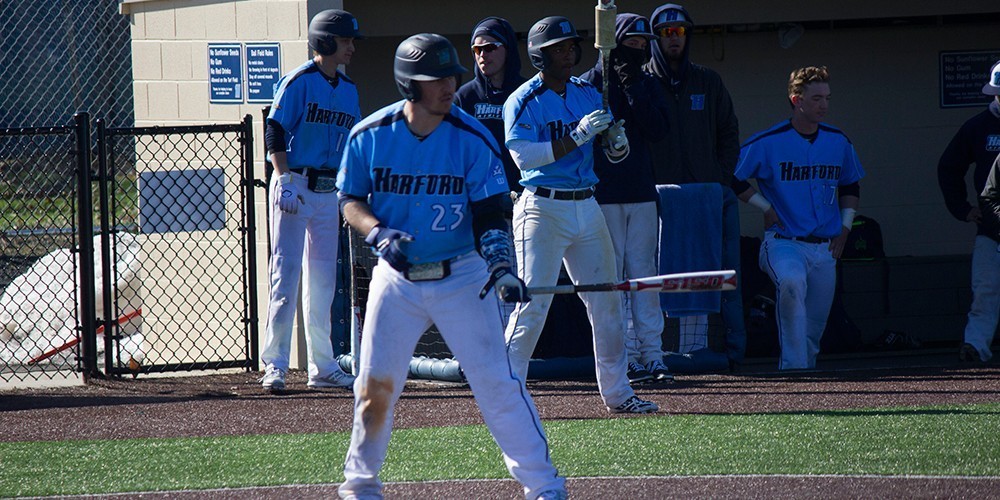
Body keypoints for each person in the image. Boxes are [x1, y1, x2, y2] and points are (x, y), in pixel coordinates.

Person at [335, 33, 567, 500]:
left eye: (450, 77)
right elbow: (350, 199)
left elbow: (490, 212)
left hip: (462, 275)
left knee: (498, 385)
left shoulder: (472, 137)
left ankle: (544, 487)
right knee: (374, 386)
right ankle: (360, 486)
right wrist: (377, 231)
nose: (448, 86)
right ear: (409, 86)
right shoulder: (370, 135)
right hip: (395, 279)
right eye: (436, 79)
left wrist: (501, 268)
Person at [503, 15, 659, 414]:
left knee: (606, 302)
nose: (569, 52)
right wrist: (578, 135)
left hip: (587, 205)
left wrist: (615, 143)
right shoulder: (522, 99)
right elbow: (525, 158)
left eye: (572, 45)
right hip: (541, 207)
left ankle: (619, 393)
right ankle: (503, 394)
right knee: (532, 303)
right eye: (560, 47)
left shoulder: (588, 93)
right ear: (540, 56)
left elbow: (606, 150)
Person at [733, 65, 865, 370]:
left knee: (813, 328)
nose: (824, 105)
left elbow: (850, 184)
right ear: (797, 100)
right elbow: (730, 174)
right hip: (784, 242)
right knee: (791, 283)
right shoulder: (769, 141)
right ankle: (793, 371)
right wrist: (764, 206)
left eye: (827, 98)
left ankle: (805, 376)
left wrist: (845, 227)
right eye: (816, 98)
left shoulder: (837, 140)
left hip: (825, 247)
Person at [259, 9, 362, 392]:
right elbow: (275, 127)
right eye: (346, 40)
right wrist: (282, 177)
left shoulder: (349, 89)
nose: (351, 46)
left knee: (323, 282)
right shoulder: (300, 80)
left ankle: (323, 367)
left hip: (328, 191)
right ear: (325, 41)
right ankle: (276, 365)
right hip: (295, 186)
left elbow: (353, 143)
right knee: (284, 277)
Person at [644, 3, 746, 369]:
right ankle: (651, 354)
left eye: (681, 32)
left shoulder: (708, 80)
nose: (675, 39)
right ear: (656, 37)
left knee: (700, 273)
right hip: (656, 202)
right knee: (652, 276)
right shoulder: (643, 81)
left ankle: (696, 352)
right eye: (667, 33)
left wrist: (718, 179)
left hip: (703, 196)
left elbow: (729, 133)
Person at [580, 13, 672, 383]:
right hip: (603, 194)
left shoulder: (647, 81)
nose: (638, 48)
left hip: (641, 192)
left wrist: (634, 89)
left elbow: (659, 129)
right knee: (612, 279)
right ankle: (624, 355)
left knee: (645, 276)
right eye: (630, 42)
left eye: (643, 43)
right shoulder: (588, 84)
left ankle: (653, 353)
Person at [938, 59, 1000, 363]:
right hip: (991, 229)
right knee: (985, 290)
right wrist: (963, 209)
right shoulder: (977, 127)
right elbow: (949, 168)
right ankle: (976, 346)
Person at [456, 16, 528, 206]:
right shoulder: (463, 97)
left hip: (526, 200)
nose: (482, 55)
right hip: (480, 200)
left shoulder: (528, 93)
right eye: (476, 49)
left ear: (508, 48)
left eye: (489, 47)